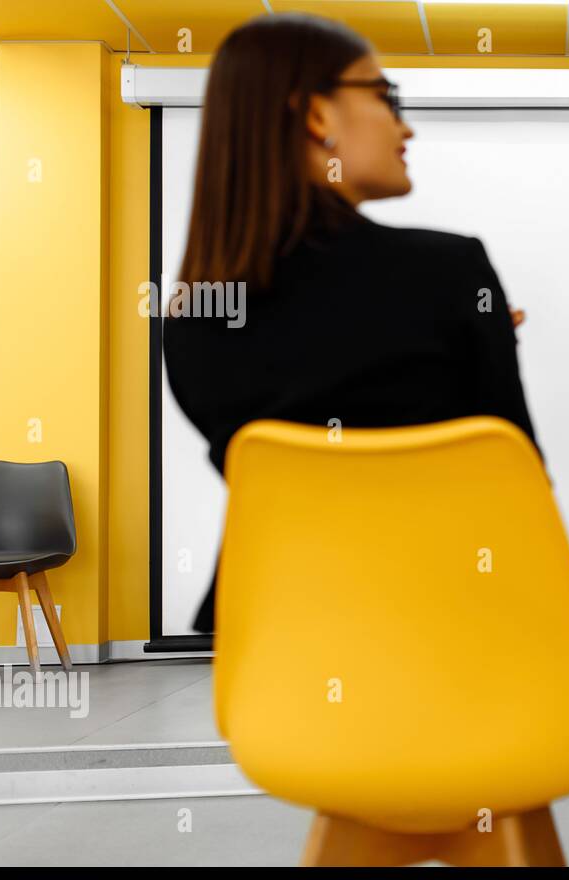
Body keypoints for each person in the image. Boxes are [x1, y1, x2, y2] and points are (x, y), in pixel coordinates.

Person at [163, 13, 538, 634]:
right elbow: (521, 488)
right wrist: (483, 342)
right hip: (456, 635)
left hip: (277, 646)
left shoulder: (191, 318)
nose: (405, 126)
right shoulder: (451, 272)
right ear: (317, 115)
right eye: (385, 96)